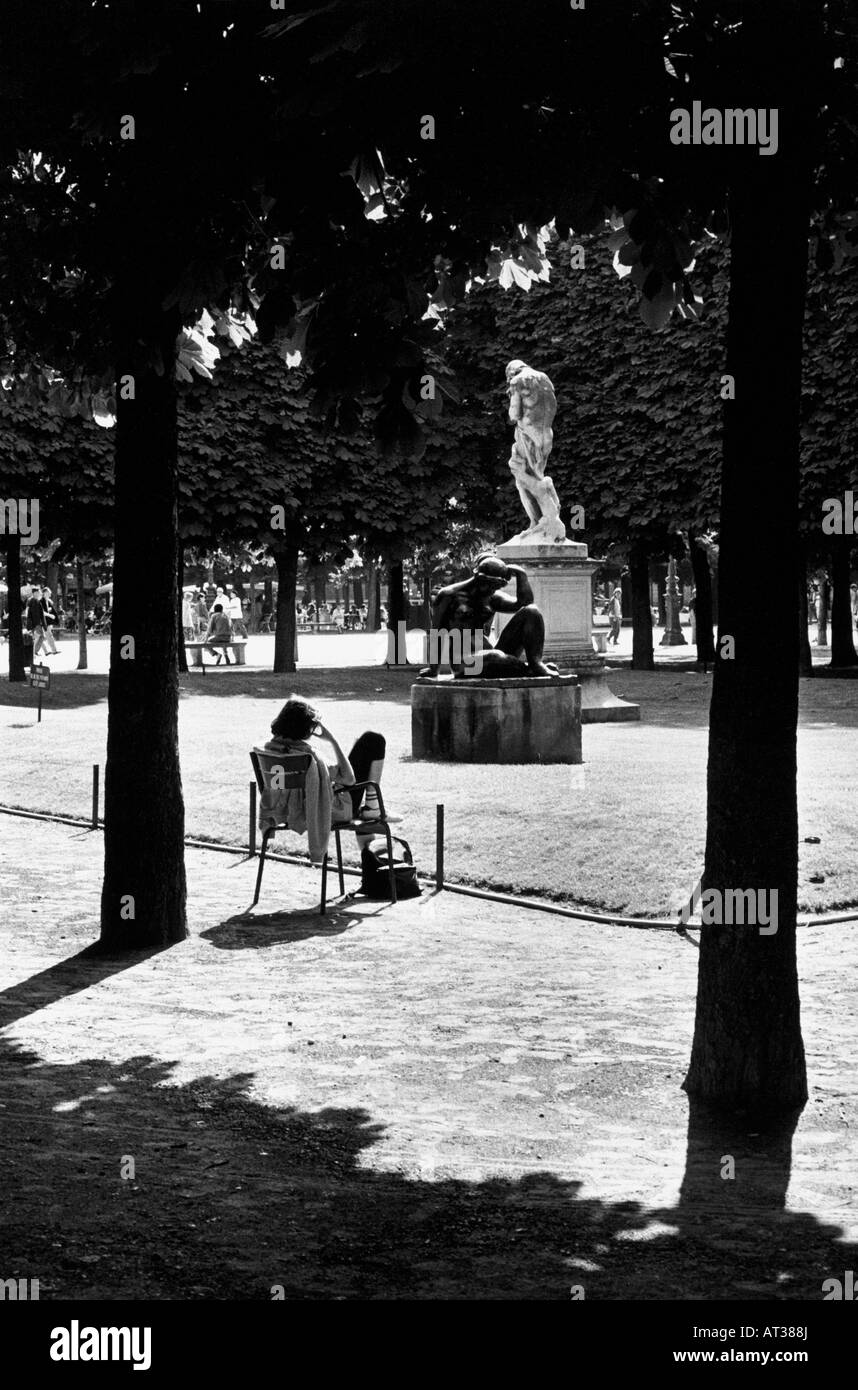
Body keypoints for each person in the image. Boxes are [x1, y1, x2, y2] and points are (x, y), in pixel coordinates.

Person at [256, 697, 396, 864]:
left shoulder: (267, 750)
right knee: (373, 740)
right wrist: (332, 740)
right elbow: (349, 779)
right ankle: (373, 807)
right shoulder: (308, 756)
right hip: (331, 808)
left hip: (287, 811)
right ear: (304, 727)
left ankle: (371, 811)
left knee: (364, 744)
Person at [420, 551, 558, 678]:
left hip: (492, 654)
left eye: (497, 586)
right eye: (490, 585)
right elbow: (436, 633)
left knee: (532, 611)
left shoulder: (492, 597)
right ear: (478, 578)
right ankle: (528, 670)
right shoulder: (448, 596)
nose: (493, 590)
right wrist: (433, 669)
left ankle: (535, 664)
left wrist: (521, 575)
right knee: (495, 656)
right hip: (464, 662)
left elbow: (525, 603)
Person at [40, 586, 60, 654]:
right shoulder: (41, 601)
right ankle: (51, 650)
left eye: (50, 593)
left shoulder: (49, 601)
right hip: (42, 622)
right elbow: (41, 612)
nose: (50, 594)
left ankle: (51, 650)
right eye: (48, 593)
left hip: (47, 622)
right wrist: (50, 615)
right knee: (43, 636)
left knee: (47, 636)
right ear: (44, 593)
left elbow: (50, 611)